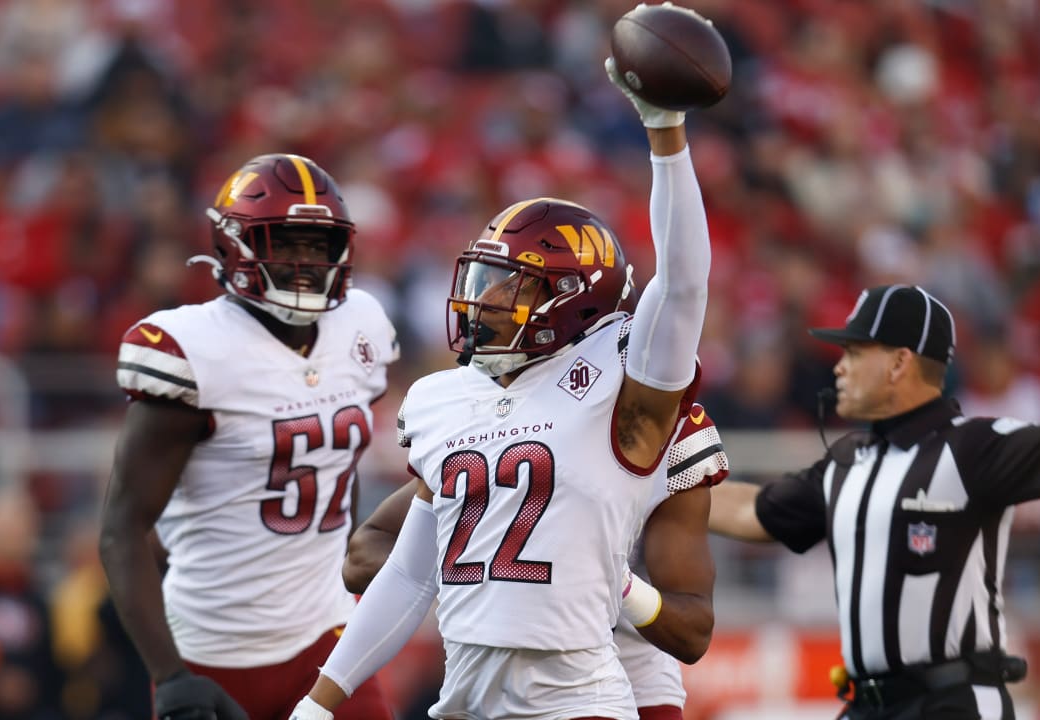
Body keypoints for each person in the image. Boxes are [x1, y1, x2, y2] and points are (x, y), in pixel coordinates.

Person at [288, 54, 716, 720]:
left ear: (573, 300)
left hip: (578, 698)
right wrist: (319, 704)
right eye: (483, 281)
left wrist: (665, 132)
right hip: (464, 697)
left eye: (509, 285)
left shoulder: (620, 388)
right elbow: (406, 572)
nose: (481, 301)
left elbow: (685, 283)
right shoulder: (447, 399)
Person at [708, 284, 1040, 720]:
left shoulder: (971, 449)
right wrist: (646, 484)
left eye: (855, 352)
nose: (839, 366)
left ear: (900, 362)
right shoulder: (846, 464)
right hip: (866, 706)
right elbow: (752, 510)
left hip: (952, 703)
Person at [98, 153, 399, 720]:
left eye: (318, 244)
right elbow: (122, 529)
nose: (306, 262)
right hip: (216, 651)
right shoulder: (193, 348)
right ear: (234, 244)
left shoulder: (361, 324)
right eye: (285, 242)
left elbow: (334, 466)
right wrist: (169, 676)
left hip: (329, 635)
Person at [342, 400, 730, 720]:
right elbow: (362, 557)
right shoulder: (508, 420)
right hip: (501, 665)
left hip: (625, 665)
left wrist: (621, 584)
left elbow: (692, 633)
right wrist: (483, 567)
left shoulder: (671, 432)